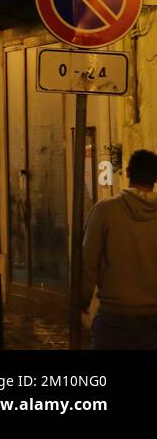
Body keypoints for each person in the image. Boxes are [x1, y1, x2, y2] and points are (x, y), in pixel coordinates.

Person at [81, 148, 157, 348]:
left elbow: (88, 261)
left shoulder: (105, 211)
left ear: (128, 172)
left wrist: (80, 301)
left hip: (115, 318)